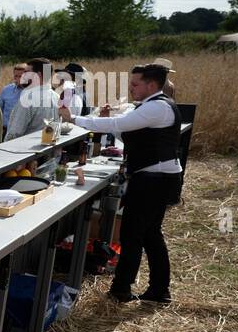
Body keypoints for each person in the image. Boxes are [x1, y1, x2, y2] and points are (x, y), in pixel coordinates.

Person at [61, 63, 182, 304]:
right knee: (149, 235)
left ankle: (123, 288)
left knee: (134, 235)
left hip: (153, 180)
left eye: (135, 84)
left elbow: (119, 126)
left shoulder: (157, 107)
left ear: (152, 84)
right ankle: (157, 289)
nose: (131, 87)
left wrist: (75, 119)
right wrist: (107, 119)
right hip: (156, 177)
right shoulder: (152, 107)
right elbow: (128, 134)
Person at [5, 58, 58, 139]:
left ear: (38, 75)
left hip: (24, 150)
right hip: (46, 149)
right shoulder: (56, 97)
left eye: (26, 72)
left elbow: (14, 134)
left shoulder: (28, 99)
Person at [0, 63, 27, 135]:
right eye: (16, 76)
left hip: (23, 132)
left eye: (21, 76)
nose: (18, 79)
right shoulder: (6, 90)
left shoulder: (32, 92)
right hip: (5, 130)